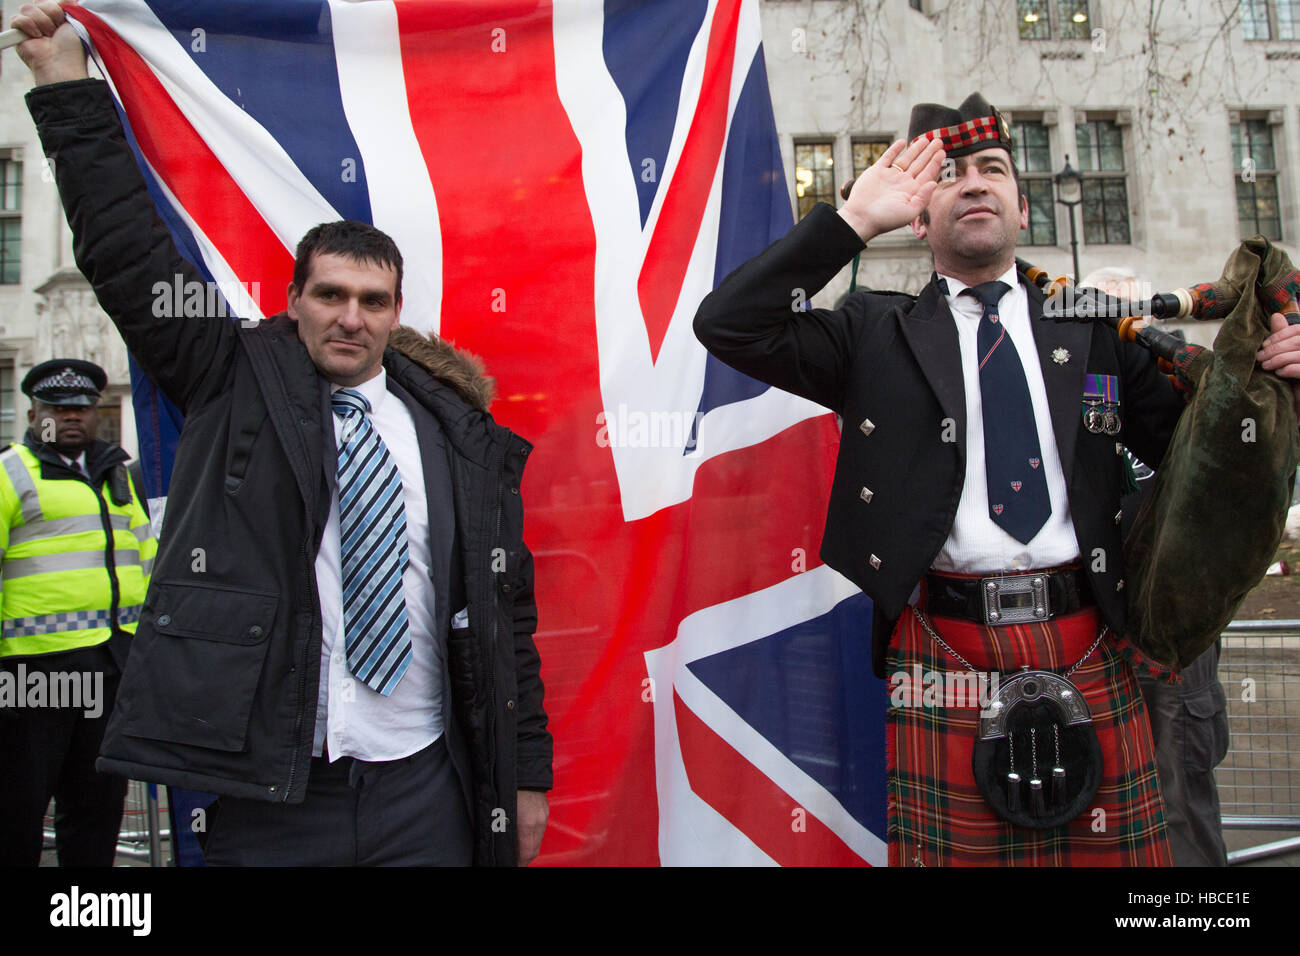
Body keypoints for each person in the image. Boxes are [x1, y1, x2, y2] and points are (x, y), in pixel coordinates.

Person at [695, 92, 1300, 865]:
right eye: (947, 175)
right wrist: (851, 220)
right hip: (941, 648)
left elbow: (1216, 453)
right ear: (920, 215)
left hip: (1090, 636)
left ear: (1021, 207)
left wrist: (1283, 385)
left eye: (992, 169)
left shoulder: (1093, 327)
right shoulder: (873, 333)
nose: (973, 182)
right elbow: (730, 323)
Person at [13, 1, 551, 866]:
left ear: (395, 313)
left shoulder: (460, 435)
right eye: (329, 295)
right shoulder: (231, 378)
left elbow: (503, 619)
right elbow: (125, 250)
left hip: (427, 788)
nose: (349, 317)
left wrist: (524, 777)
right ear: (294, 301)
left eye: (372, 301)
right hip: (275, 793)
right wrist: (62, 84)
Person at [1079, 268, 1232, 867]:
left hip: (1174, 650)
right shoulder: (1070, 405)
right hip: (1088, 640)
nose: (1123, 331)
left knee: (1178, 812)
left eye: (1133, 317)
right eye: (1104, 316)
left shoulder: (1196, 402)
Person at [0, 358, 155, 866]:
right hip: (33, 672)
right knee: (18, 808)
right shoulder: (9, 473)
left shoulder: (117, 475)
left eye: (83, 408)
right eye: (57, 408)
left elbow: (146, 562)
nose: (71, 417)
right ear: (32, 413)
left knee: (97, 810)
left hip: (109, 668)